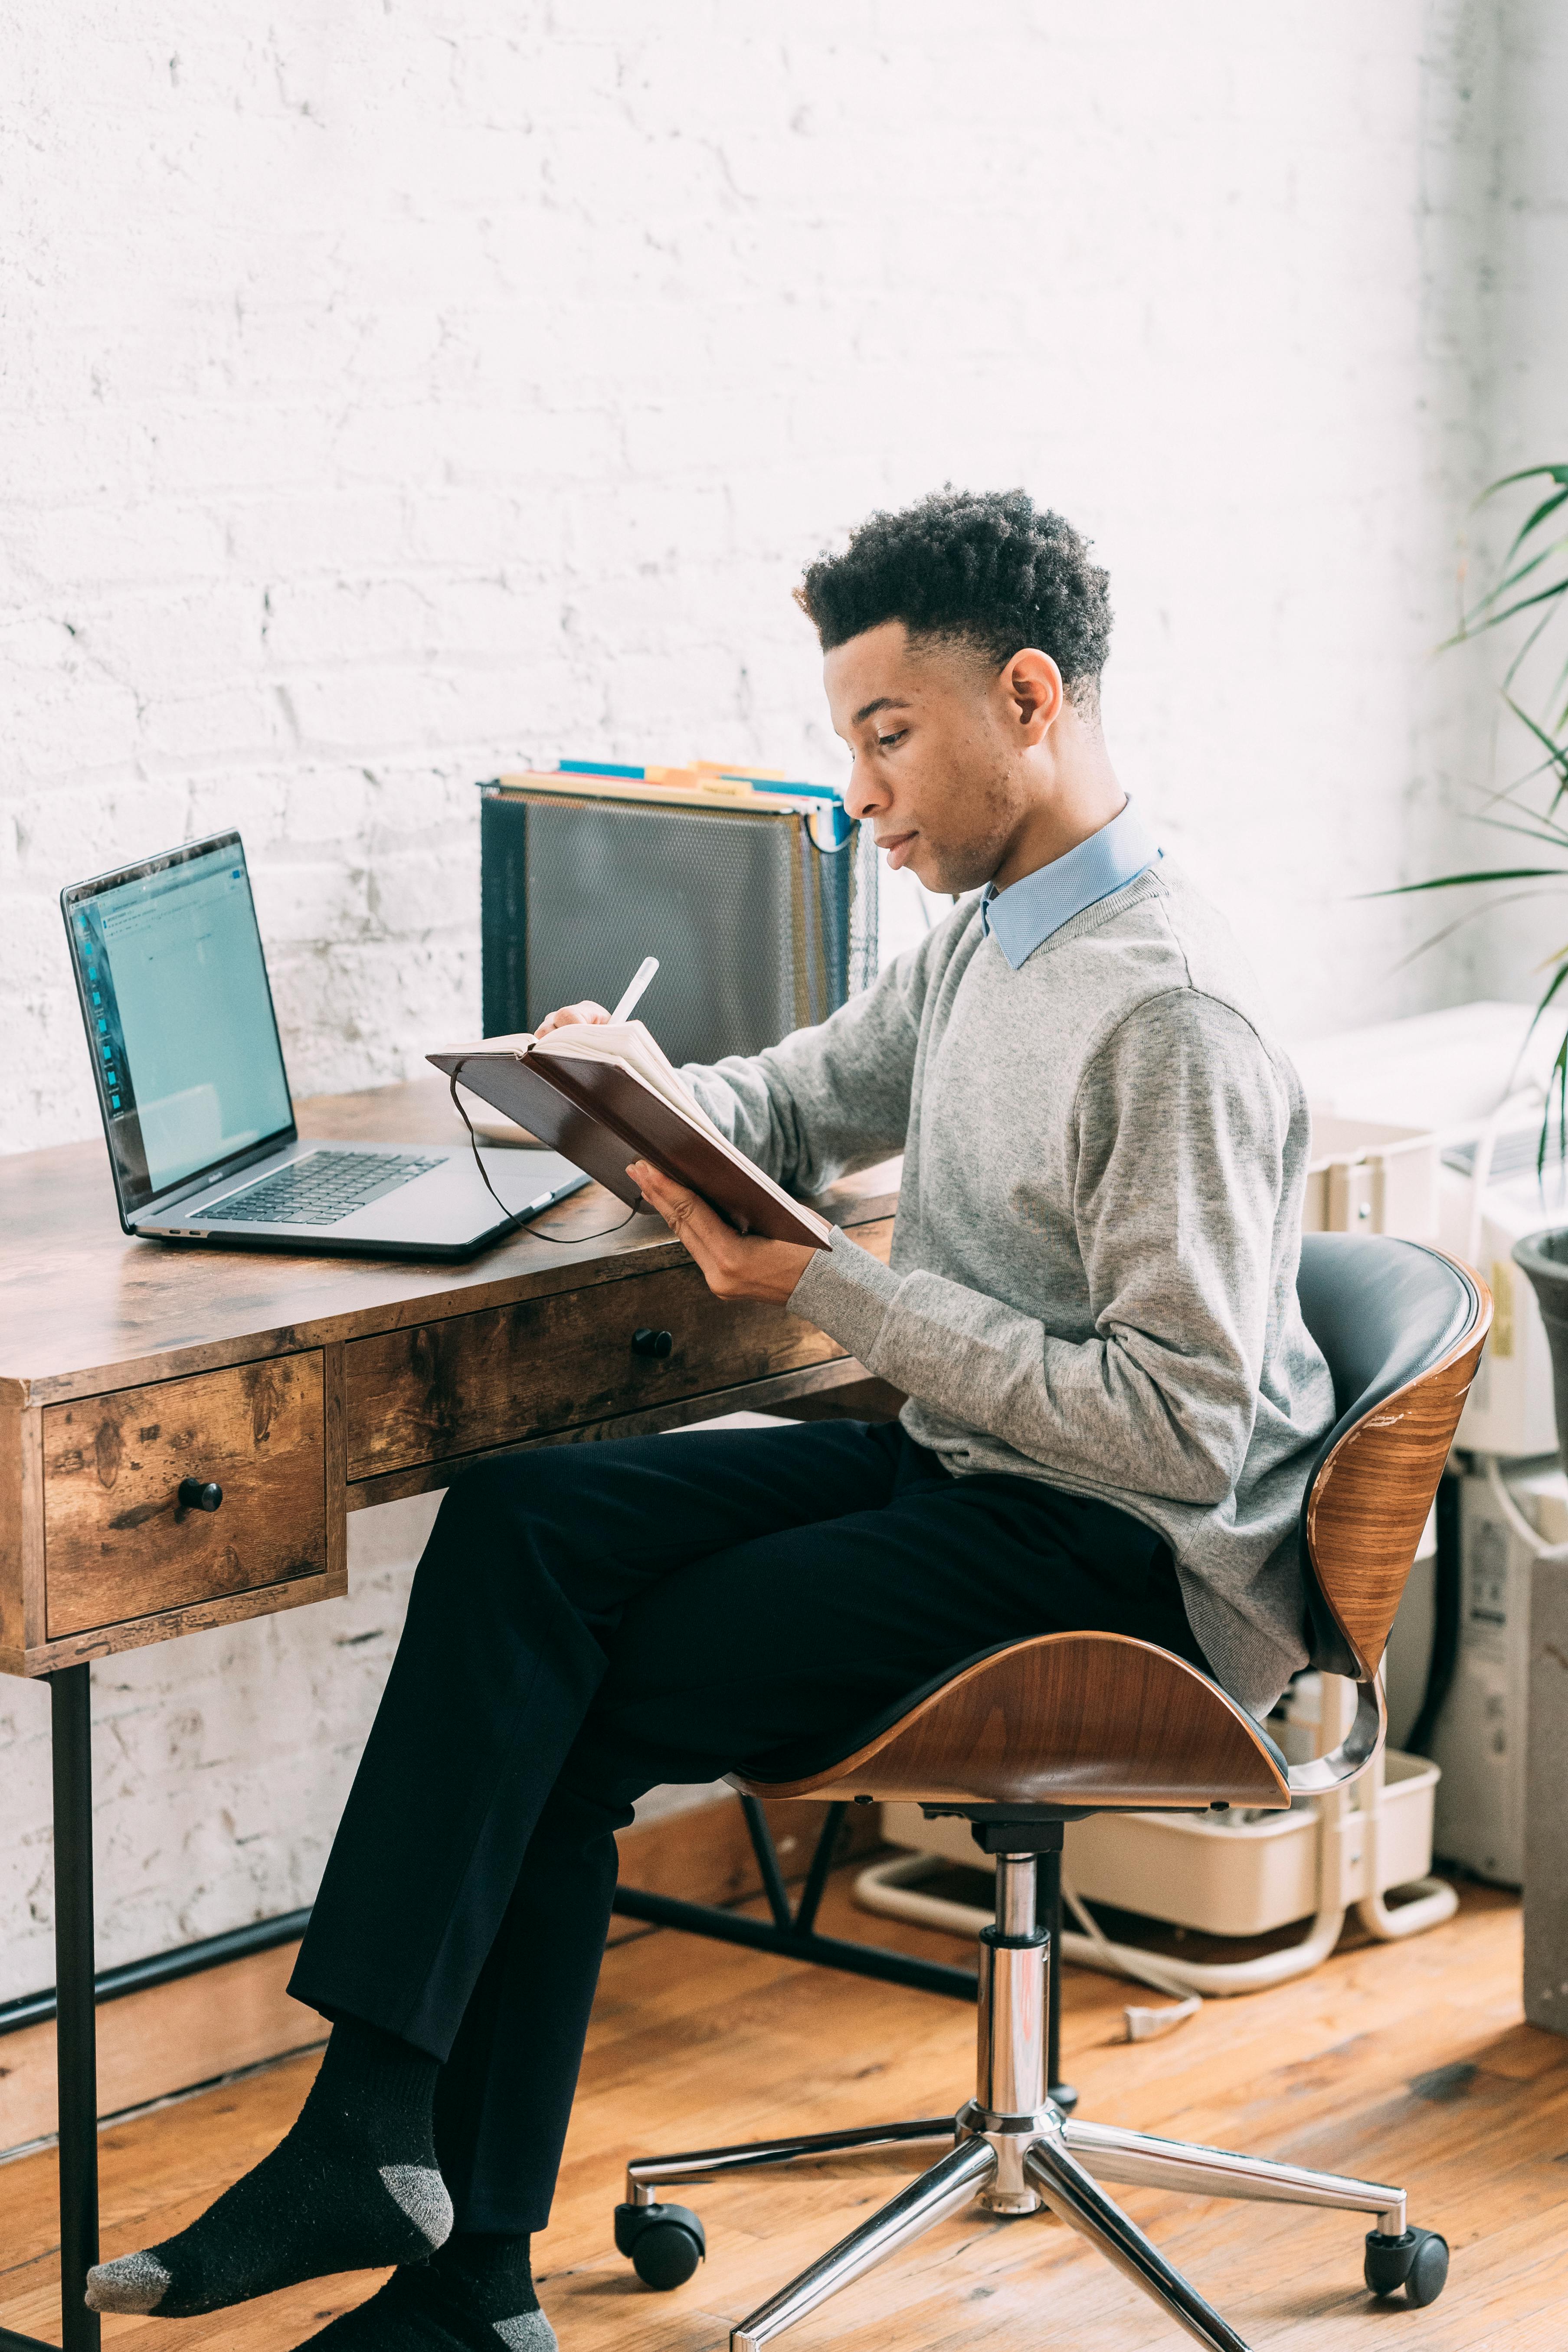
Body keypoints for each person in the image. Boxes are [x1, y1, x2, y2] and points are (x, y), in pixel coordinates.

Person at [86, 488, 1335, 2349]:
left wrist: (820, 1279)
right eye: (847, 742)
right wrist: (631, 1090)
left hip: (1117, 1558)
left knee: (570, 1701)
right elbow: (812, 1090)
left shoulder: (1168, 1015)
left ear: (1025, 700)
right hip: (973, 1466)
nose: (861, 793)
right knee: (520, 1526)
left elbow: (1176, 1429)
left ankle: (470, 2262)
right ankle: (369, 2127)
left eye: (886, 737)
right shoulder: (993, 930)